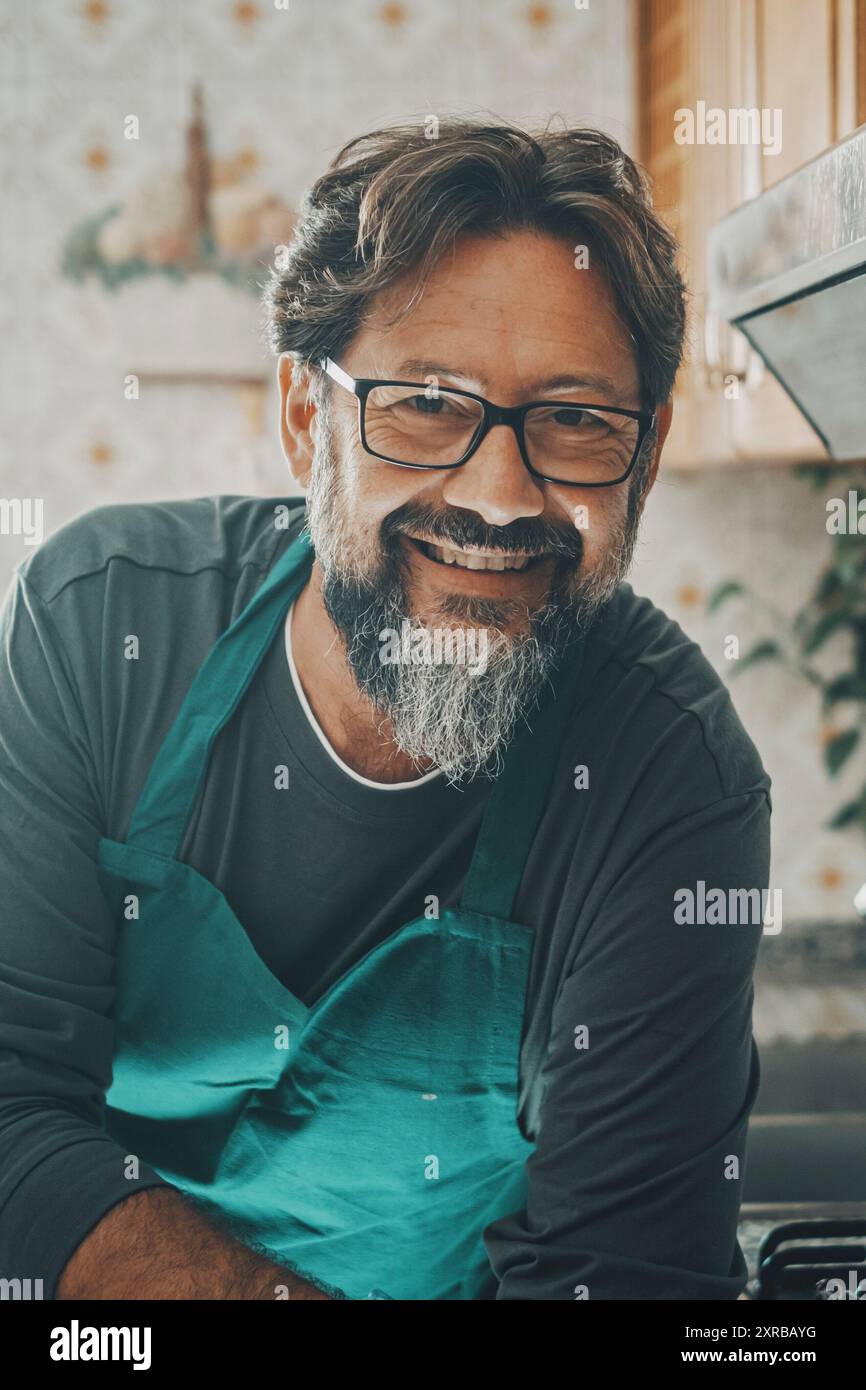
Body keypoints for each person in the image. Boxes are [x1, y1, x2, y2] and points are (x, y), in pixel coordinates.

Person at [0, 119, 770, 1301]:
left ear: (647, 456)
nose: (501, 497)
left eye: (574, 420)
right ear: (308, 417)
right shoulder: (102, 625)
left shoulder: (670, 775)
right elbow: (12, 1115)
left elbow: (621, 1280)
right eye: (423, 404)